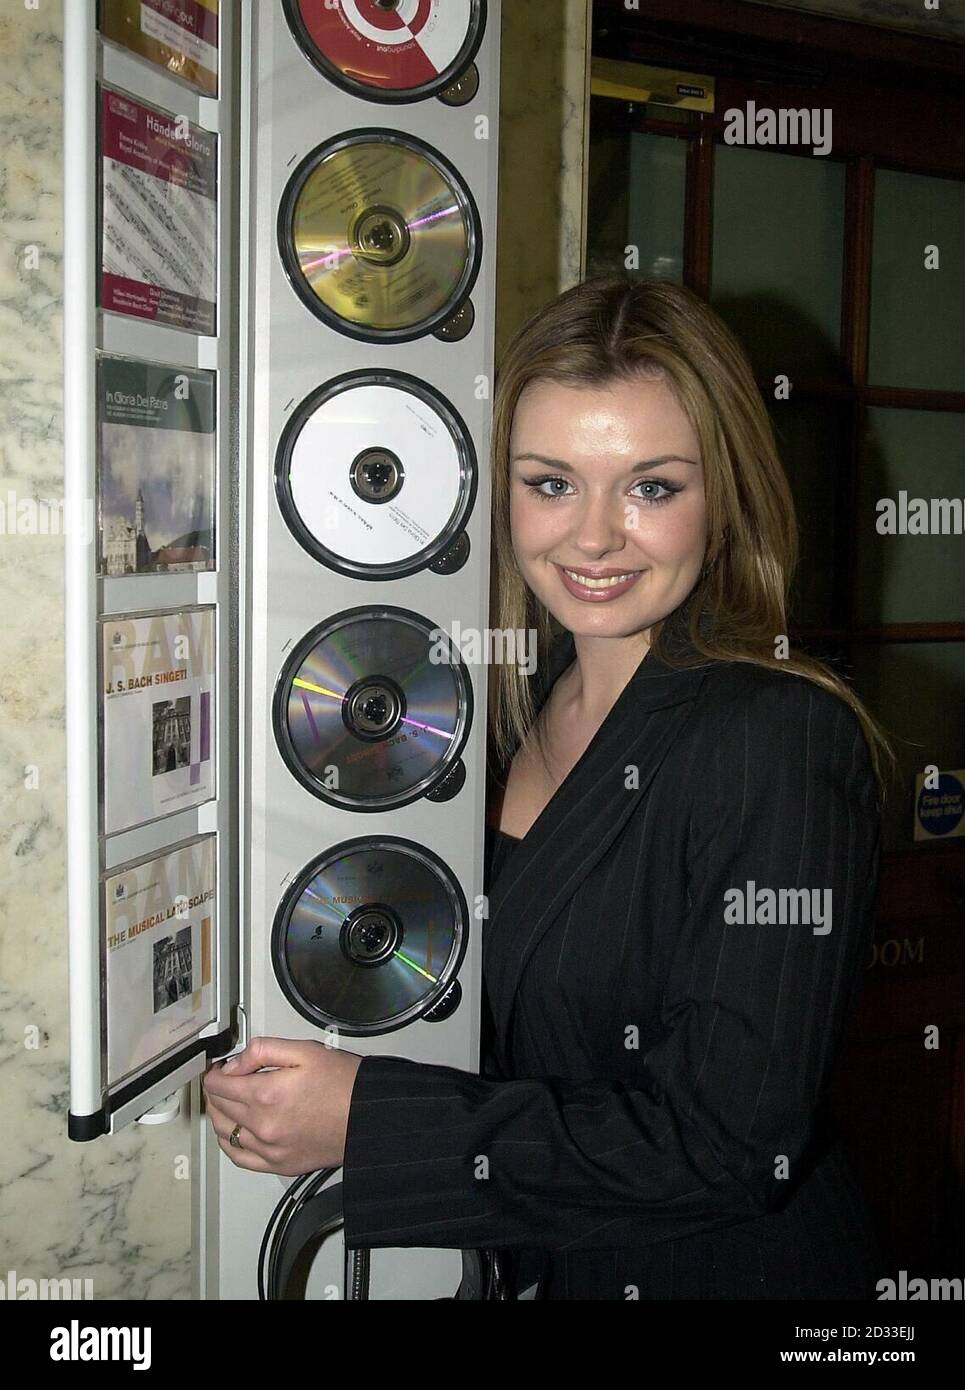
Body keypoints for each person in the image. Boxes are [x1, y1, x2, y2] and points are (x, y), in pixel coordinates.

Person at [203, 276, 894, 1300]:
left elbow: (731, 1143)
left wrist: (370, 1120)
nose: (592, 537)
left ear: (725, 494)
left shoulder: (776, 738)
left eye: (651, 486)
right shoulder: (497, 705)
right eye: (551, 482)